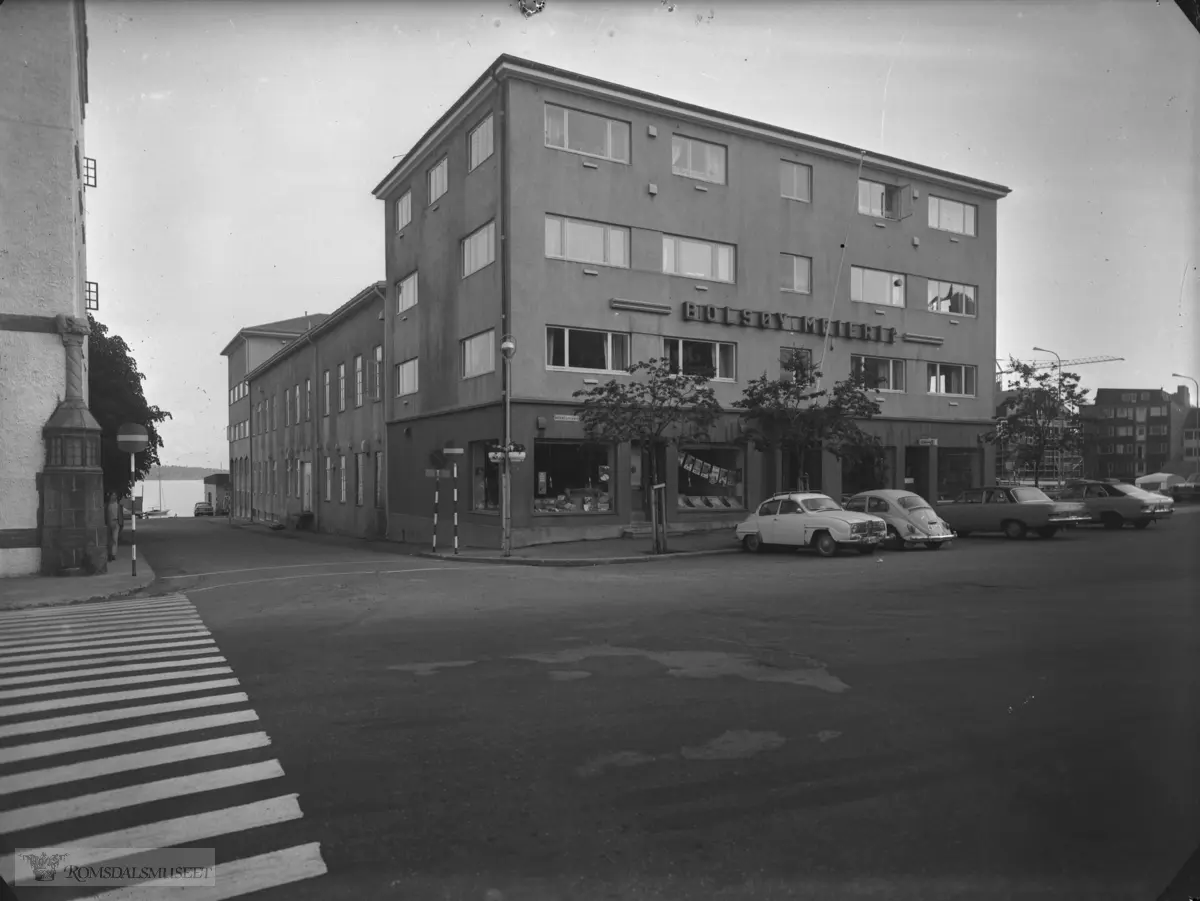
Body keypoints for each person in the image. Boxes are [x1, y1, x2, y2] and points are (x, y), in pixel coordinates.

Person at [104, 492, 121, 562]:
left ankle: (113, 554)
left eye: (115, 495)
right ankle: (109, 554)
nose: (114, 496)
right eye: (112, 495)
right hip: (109, 523)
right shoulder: (107, 505)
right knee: (109, 539)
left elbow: (120, 515)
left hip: (116, 522)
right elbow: (105, 514)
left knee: (114, 539)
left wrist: (120, 523)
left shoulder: (117, 505)